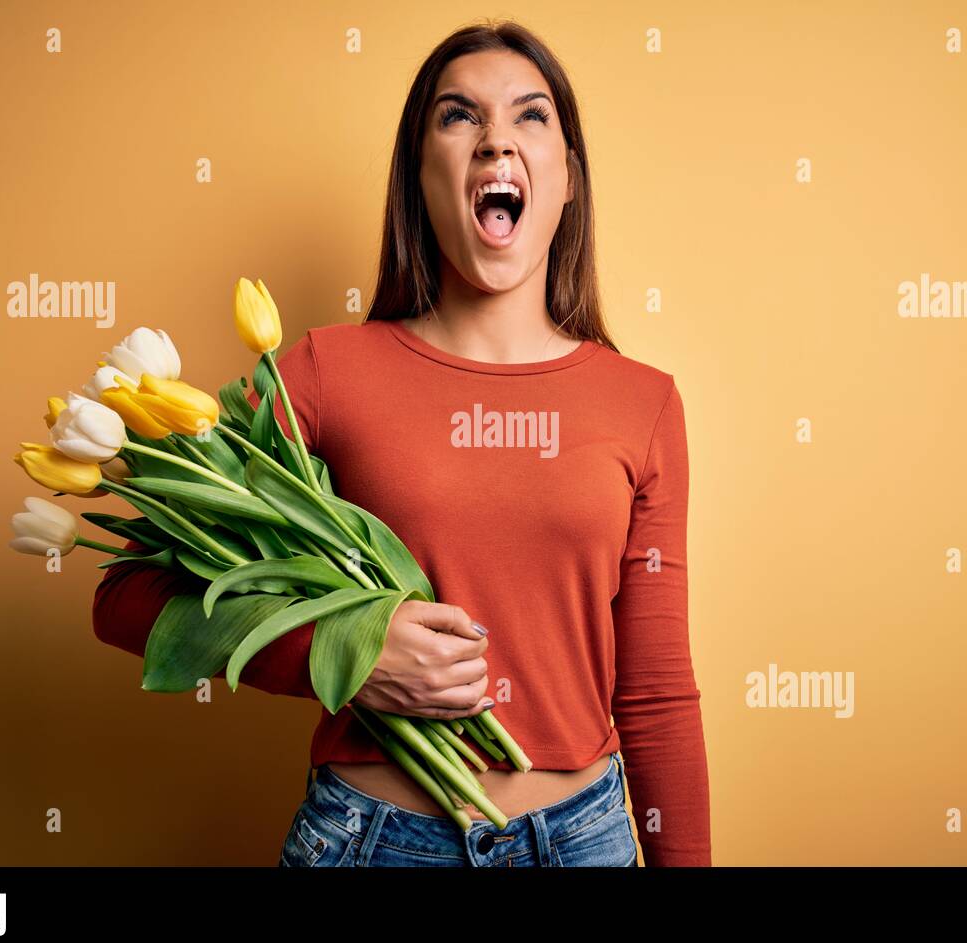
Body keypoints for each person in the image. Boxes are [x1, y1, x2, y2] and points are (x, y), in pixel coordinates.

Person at [91, 18, 710, 867]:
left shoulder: (643, 403)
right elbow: (124, 595)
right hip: (375, 843)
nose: (497, 140)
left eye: (531, 117)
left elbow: (656, 695)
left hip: (584, 841)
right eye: (459, 118)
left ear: (567, 180)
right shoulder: (319, 372)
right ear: (421, 179)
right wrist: (342, 656)